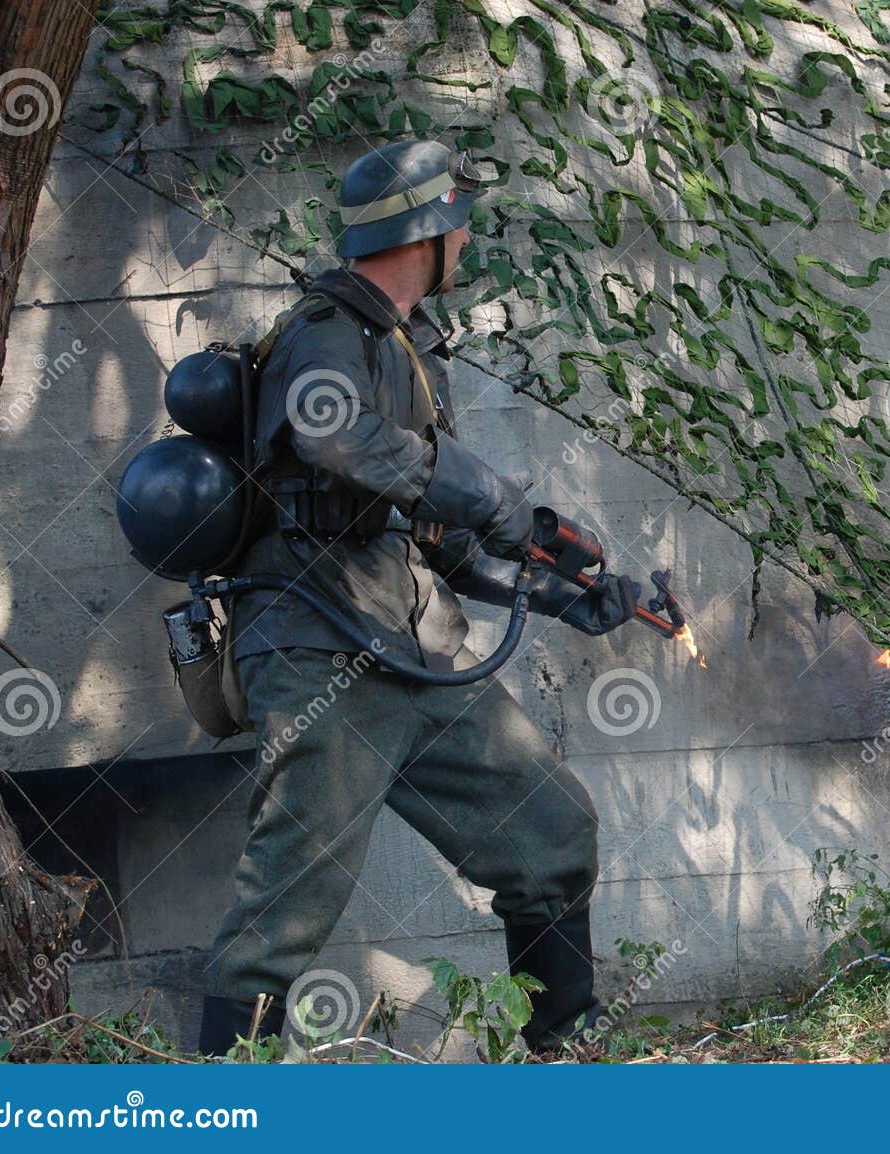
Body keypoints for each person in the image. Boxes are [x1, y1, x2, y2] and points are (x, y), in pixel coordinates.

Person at [196, 139, 639, 1056]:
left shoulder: (404, 347)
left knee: (551, 834)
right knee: (283, 912)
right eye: (461, 224)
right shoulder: (326, 330)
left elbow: (436, 536)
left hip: (410, 648)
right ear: (427, 231)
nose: (468, 240)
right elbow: (331, 435)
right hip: (320, 646)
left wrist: (568, 592)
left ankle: (568, 1056)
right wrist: (490, 494)